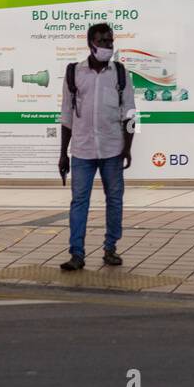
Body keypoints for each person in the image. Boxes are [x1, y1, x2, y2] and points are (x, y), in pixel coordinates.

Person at [58, 22, 136, 271]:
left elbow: (131, 114)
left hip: (113, 149)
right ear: (90, 44)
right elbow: (66, 116)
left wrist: (128, 147)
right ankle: (76, 254)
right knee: (79, 201)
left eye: (110, 41)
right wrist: (63, 154)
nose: (107, 46)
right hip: (82, 150)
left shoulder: (121, 74)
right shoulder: (74, 72)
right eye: (102, 41)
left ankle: (111, 248)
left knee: (114, 200)